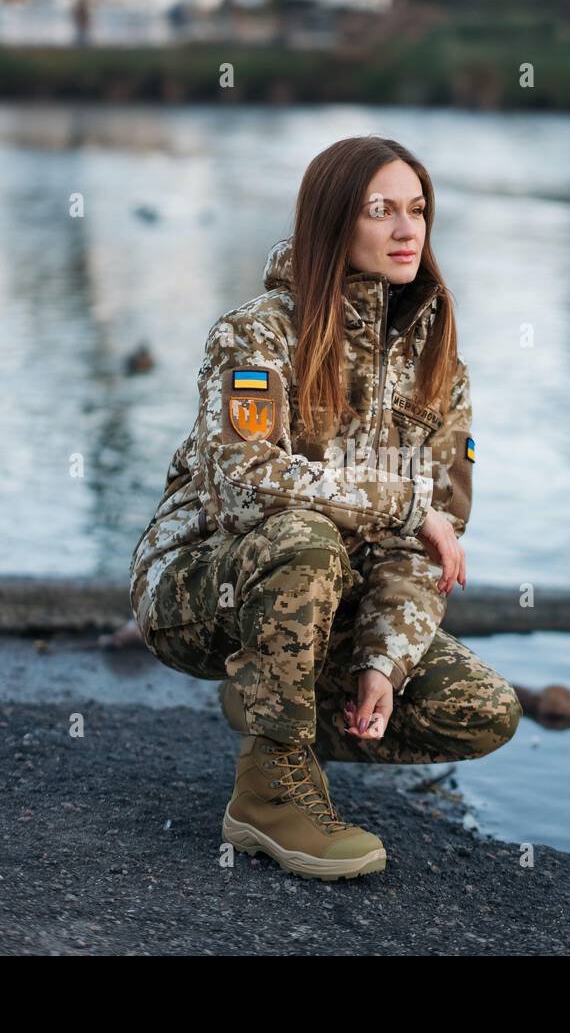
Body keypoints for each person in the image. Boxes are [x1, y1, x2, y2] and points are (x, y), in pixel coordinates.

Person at [129, 136, 522, 881]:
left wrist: (381, 659)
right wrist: (403, 504)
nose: (409, 230)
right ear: (335, 222)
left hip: (328, 600)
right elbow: (244, 483)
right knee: (303, 537)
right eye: (382, 211)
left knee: (483, 707)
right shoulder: (257, 333)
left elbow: (425, 545)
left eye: (419, 210)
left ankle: (273, 707)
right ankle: (270, 796)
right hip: (197, 585)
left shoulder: (441, 367)